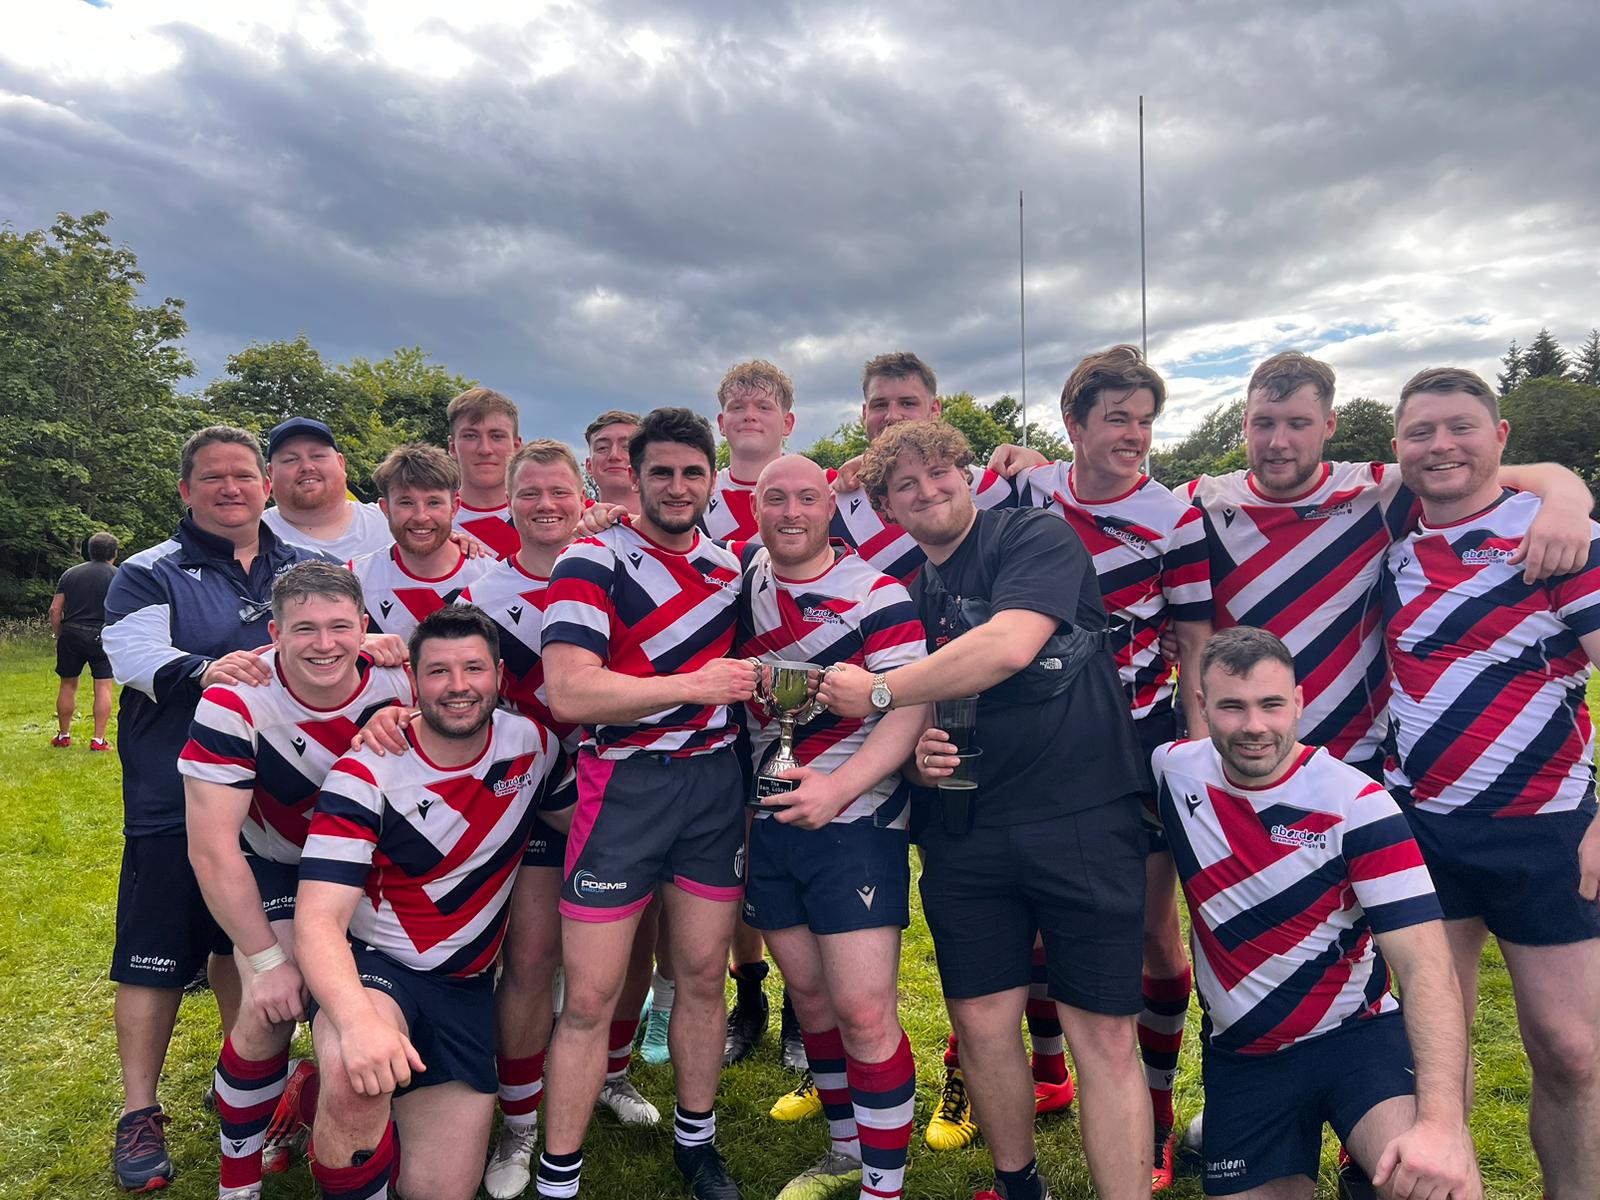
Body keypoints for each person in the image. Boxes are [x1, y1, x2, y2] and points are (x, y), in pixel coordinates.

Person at [821, 420, 1151, 1200]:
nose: (929, 491)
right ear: (889, 506)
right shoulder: (904, 589)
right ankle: (1017, 1184)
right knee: (979, 1023)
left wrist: (880, 689)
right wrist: (923, 753)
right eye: (907, 485)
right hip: (966, 830)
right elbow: (932, 706)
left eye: (942, 474)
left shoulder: (1034, 535)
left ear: (969, 476)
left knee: (1101, 1034)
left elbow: (1008, 645)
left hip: (1083, 814)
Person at [812, 351, 1049, 1148]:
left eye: (909, 402)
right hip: (894, 736)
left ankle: (982, 1072)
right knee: (932, 915)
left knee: (1005, 919)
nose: (894, 416)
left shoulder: (994, 483)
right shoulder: (841, 498)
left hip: (986, 729)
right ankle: (848, 1072)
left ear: (938, 409)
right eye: (879, 404)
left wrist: (1039, 459)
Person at [1152, 626, 1480, 1200]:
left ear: (1299, 702)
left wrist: (1442, 1128)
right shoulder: (1172, 773)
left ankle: (1375, 1146)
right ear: (1201, 706)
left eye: (1272, 704)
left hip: (1357, 1037)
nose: (1255, 726)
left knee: (1440, 1188)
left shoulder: (1358, 805)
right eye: (1232, 707)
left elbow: (1429, 968)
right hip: (1246, 1058)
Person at [1383, 367, 1600, 1200]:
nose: (1442, 446)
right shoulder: (1396, 540)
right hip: (1423, 825)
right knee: (1437, 1050)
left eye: (1461, 427)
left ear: (1501, 439)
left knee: (1570, 1049)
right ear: (1398, 447)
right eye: (1422, 432)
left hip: (1544, 826)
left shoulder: (1555, 536)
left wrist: (1566, 491)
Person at [539, 407, 756, 1200]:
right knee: (590, 996)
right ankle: (559, 1174)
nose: (676, 486)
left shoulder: (736, 568)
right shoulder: (590, 558)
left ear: (711, 477)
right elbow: (568, 691)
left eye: (692, 472)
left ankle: (697, 1142)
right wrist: (695, 685)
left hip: (710, 787)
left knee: (701, 976)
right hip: (621, 788)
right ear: (631, 475)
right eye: (659, 471)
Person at [101, 425, 319, 1191]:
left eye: (243, 476)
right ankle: (138, 1113)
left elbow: (339, 638)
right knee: (156, 955)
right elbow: (130, 657)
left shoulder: (304, 566)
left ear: (266, 486)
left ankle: (245, 1085)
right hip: (172, 794)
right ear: (186, 490)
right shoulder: (148, 568)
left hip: (276, 804)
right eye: (213, 478)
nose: (232, 489)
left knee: (244, 944)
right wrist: (205, 666)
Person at [1016, 346, 1210, 1188]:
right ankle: (1050, 1071)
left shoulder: (1177, 516)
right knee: (1029, 919)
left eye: (1145, 420)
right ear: (1074, 426)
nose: (1135, 435)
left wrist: (1195, 757)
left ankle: (1158, 1110)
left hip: (1135, 741)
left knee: (1151, 930)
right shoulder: (1022, 491)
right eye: (1117, 418)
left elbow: (1196, 641)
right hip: (1031, 743)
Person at [295, 605, 562, 1200]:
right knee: (356, 1073)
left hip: (463, 986)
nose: (459, 686)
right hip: (378, 970)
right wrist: (358, 1021)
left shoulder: (535, 747)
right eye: (438, 672)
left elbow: (584, 825)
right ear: (413, 682)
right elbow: (317, 921)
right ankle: (336, 1087)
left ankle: (317, 1096)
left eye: (473, 668)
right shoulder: (365, 772)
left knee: (440, 1190)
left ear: (498, 673)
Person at [180, 561, 412, 1200]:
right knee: (271, 1002)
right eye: (303, 628)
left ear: (364, 627)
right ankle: (238, 1181)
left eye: (341, 626)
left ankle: (326, 1098)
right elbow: (211, 850)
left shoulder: (397, 677)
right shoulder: (236, 697)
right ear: (273, 633)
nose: (325, 643)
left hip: (378, 866)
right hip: (282, 864)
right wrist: (264, 958)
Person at [469, 439, 659, 1199]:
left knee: (633, 946)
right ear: (506, 502)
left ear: (585, 497)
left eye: (559, 492)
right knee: (534, 958)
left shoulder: (618, 566)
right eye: (529, 493)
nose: (545, 506)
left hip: (626, 789)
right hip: (535, 799)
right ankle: (519, 1120)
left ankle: (612, 1074)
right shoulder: (483, 591)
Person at [738, 454, 927, 1200]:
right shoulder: (740, 582)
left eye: (806, 497)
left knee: (863, 1008)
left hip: (857, 817)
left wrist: (840, 786)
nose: (790, 511)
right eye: (774, 497)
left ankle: (885, 1186)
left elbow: (911, 704)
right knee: (811, 1000)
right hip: (768, 817)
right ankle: (845, 1151)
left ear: (830, 507)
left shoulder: (877, 593)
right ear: (752, 508)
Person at [703, 360, 806, 1073]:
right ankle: (753, 998)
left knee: (798, 851)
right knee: (738, 862)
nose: (749, 412)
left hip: (805, 712)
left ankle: (805, 1008)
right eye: (736, 403)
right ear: (721, 423)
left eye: (763, 403)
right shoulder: (695, 498)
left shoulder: (816, 490)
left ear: (787, 422)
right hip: (721, 712)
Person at [348, 443, 497, 641]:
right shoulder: (354, 579)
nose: (421, 516)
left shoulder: (491, 578)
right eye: (406, 503)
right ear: (385, 508)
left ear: (454, 507)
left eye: (433, 502)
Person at [260, 417, 393, 559]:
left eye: (318, 456)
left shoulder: (392, 523)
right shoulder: (250, 538)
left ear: (341, 463)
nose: (307, 467)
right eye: (290, 459)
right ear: (271, 473)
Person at [50, 530, 119, 750]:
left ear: (89, 550)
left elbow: (55, 609)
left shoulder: (70, 574)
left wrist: (59, 633)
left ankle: (63, 735)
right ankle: (98, 740)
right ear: (114, 553)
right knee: (103, 687)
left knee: (68, 684)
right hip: (103, 636)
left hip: (72, 633)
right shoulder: (119, 576)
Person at [447, 387, 525, 559]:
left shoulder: (556, 515)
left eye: (496, 436)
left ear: (517, 447)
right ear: (453, 447)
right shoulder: (422, 522)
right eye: (470, 436)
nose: (485, 449)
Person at [584, 409, 642, 513]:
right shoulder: (570, 527)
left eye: (627, 447)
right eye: (602, 448)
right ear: (589, 466)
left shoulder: (674, 525)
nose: (614, 455)